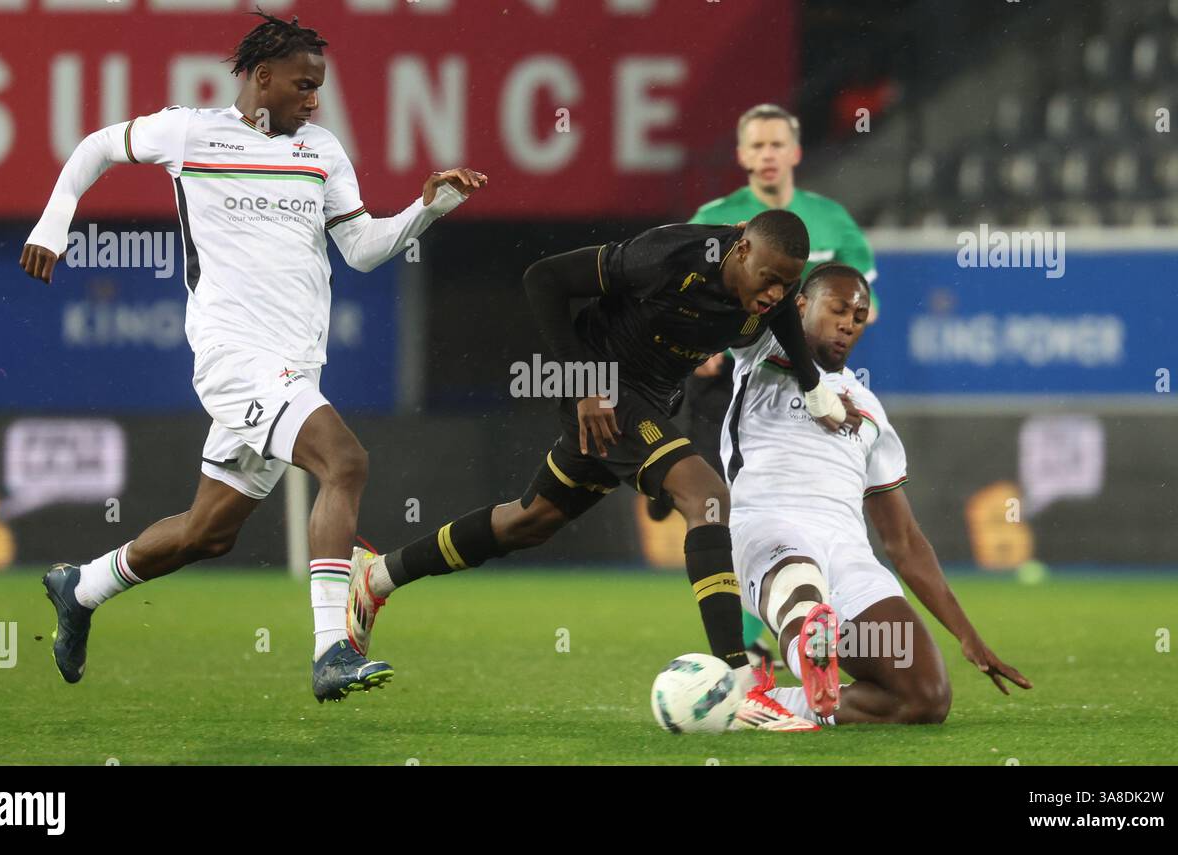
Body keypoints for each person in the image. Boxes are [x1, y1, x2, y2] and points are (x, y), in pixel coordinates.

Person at [19, 10, 486, 703]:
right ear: (262, 78)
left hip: (294, 367)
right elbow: (95, 147)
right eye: (302, 84)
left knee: (207, 532)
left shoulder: (321, 150)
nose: (313, 98)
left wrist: (425, 210)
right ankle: (332, 647)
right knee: (346, 461)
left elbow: (360, 250)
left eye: (318, 86)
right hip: (234, 358)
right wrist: (54, 224)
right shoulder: (190, 131)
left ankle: (81, 587)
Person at [347, 211, 858, 731]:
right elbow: (542, 278)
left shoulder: (767, 296)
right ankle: (742, 686)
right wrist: (584, 384)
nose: (774, 292)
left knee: (530, 520)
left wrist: (815, 391)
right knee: (706, 497)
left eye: (787, 283)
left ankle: (378, 574)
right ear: (742, 249)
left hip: (646, 403)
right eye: (768, 278)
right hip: (603, 390)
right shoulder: (670, 255)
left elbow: (781, 319)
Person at [723, 262, 1031, 726]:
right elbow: (740, 292)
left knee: (925, 699)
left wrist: (967, 635)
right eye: (838, 308)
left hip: (847, 554)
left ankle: (772, 703)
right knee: (802, 590)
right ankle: (810, 640)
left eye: (860, 315)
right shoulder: (761, 352)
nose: (849, 322)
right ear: (801, 305)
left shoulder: (868, 410)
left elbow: (903, 540)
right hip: (771, 531)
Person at [665, 103, 881, 667]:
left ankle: (754, 646)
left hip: (805, 391)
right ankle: (754, 643)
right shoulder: (717, 216)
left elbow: (865, 302)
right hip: (729, 387)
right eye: (756, 146)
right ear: (741, 155)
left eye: (775, 145)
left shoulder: (831, 219)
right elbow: (688, 295)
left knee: (753, 510)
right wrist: (702, 348)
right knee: (722, 507)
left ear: (795, 152)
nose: (766, 155)